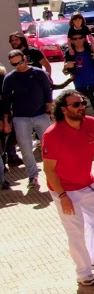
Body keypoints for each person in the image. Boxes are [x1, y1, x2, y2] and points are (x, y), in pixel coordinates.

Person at [43, 89, 94, 287]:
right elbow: (49, 170)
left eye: (82, 102)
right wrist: (63, 196)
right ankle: (83, 272)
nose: (82, 107)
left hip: (88, 184)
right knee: (76, 232)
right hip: (64, 190)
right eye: (76, 105)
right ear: (64, 110)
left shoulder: (91, 123)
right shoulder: (52, 134)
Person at [4, 48, 53, 190]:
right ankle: (33, 176)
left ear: (25, 58)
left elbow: (47, 92)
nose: (18, 65)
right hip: (20, 118)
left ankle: (52, 173)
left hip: (41, 115)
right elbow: (6, 101)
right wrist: (6, 120)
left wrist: (49, 111)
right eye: (14, 64)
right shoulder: (10, 78)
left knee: (48, 147)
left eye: (20, 61)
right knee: (26, 149)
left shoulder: (39, 73)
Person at [62, 34, 94, 145]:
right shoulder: (69, 53)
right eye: (75, 38)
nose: (78, 40)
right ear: (71, 40)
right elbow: (65, 71)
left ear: (84, 38)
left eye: (80, 37)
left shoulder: (90, 50)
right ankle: (83, 138)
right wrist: (65, 67)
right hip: (79, 86)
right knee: (79, 114)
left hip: (93, 84)